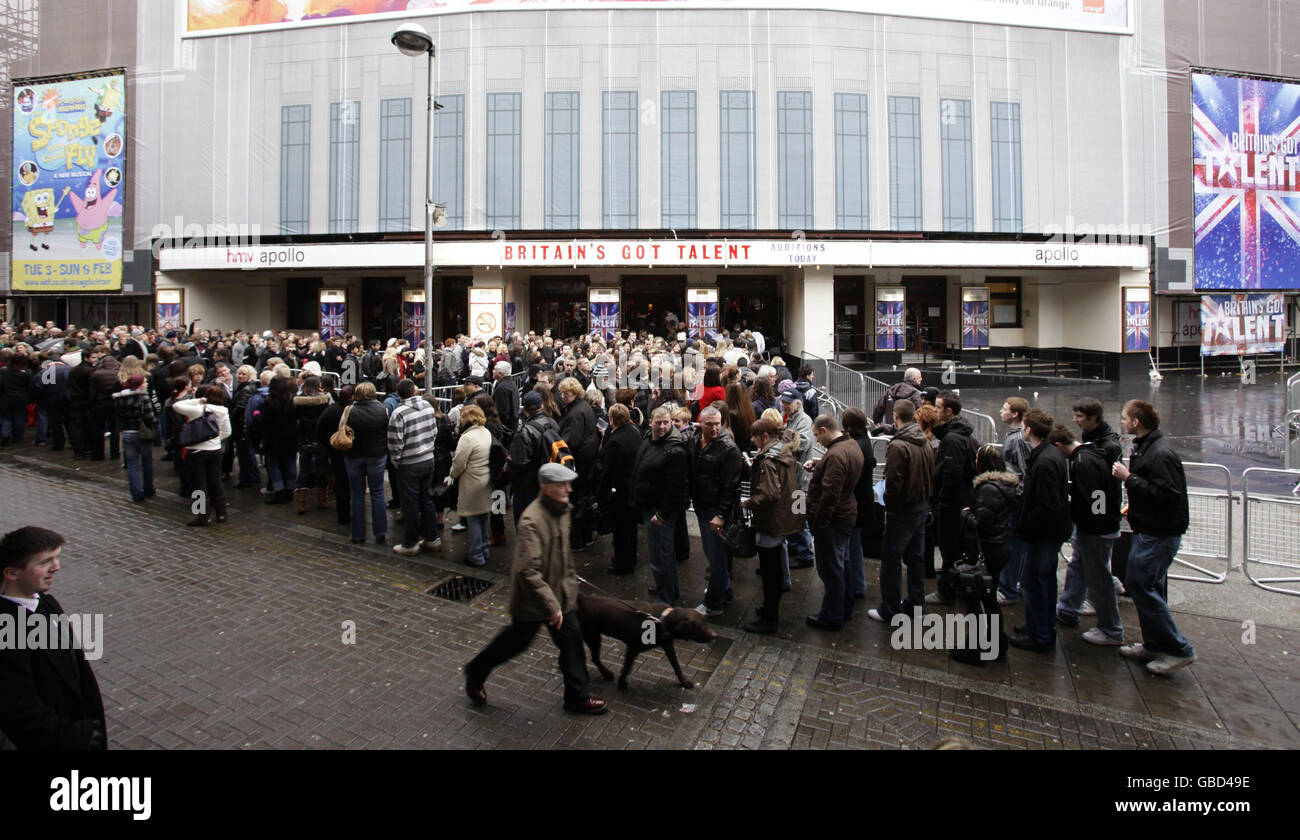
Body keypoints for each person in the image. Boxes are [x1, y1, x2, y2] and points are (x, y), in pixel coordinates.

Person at [463, 462, 607, 714]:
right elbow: (527, 570)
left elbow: (561, 555)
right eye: (563, 485)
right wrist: (551, 605)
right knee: (515, 642)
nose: (569, 490)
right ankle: (476, 671)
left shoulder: (562, 510)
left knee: (572, 643)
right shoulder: (532, 520)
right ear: (547, 488)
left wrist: (570, 586)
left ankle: (577, 697)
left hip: (561, 595)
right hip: (534, 600)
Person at [0, 527, 107, 749]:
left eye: (57, 558)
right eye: (45, 562)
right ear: (11, 573)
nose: (56, 567)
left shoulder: (46, 602)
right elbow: (19, 710)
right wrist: (78, 736)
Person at [1112, 399, 1196, 675]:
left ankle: (1177, 648)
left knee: (1140, 585)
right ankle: (1154, 643)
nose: (1122, 422)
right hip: (1149, 529)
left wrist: (1128, 478)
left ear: (1136, 422)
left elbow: (1168, 496)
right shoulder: (1148, 448)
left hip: (1158, 533)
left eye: (1125, 418)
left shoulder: (1160, 454)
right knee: (1150, 587)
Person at [1049, 422, 1123, 645]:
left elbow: (1095, 495)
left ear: (1059, 445)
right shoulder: (1088, 455)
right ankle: (1068, 609)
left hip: (1095, 529)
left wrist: (1089, 521)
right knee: (1079, 567)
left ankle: (1111, 629)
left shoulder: (1082, 461)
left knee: (1099, 579)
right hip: (1095, 527)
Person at [1010, 408, 1071, 653]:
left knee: (1036, 581)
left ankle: (1041, 635)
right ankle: (1038, 627)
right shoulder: (1049, 455)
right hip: (1047, 532)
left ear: (1029, 429)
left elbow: (1046, 503)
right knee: (1040, 581)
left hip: (1042, 534)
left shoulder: (1045, 461)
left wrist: (1026, 526)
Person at [867, 399, 934, 623]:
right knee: (916, 557)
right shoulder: (924, 441)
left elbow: (894, 483)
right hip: (921, 507)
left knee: (891, 559)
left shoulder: (898, 445)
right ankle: (917, 603)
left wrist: (888, 503)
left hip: (902, 511)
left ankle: (890, 608)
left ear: (895, 416)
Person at [952, 446, 1016, 664]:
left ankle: (977, 650)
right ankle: (996, 645)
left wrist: (966, 515)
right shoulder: (1005, 485)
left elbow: (982, 524)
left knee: (977, 599)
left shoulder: (987, 490)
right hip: (998, 548)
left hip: (987, 550)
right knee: (989, 599)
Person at [741, 417, 804, 634]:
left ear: (764, 436)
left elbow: (769, 493)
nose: (752, 440)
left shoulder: (768, 460)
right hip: (783, 518)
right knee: (774, 568)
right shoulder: (782, 452)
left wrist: (748, 502)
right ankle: (769, 609)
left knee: (769, 572)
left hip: (771, 521)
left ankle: (770, 618)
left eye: (754, 436)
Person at [805, 413, 865, 631]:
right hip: (845, 515)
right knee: (843, 564)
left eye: (817, 436)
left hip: (833, 520)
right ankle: (844, 607)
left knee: (831, 569)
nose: (817, 441)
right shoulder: (850, 445)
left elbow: (830, 494)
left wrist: (819, 522)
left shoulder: (837, 455)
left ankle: (831, 615)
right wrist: (822, 464)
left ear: (824, 431)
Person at [690, 406, 745, 617]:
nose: (714, 428)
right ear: (700, 423)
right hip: (703, 506)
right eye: (709, 424)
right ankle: (725, 592)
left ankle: (713, 603)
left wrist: (721, 514)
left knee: (717, 557)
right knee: (713, 554)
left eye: (717, 424)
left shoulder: (728, 449)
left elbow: (731, 486)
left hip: (716, 510)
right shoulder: (696, 441)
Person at [632, 406, 689, 604]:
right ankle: (668, 589)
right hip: (650, 506)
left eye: (666, 422)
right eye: (659, 422)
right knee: (663, 554)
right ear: (651, 422)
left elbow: (676, 488)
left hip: (660, 512)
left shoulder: (675, 450)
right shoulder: (649, 439)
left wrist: (663, 514)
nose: (663, 426)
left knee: (660, 556)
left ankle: (665, 599)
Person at [927, 390, 978, 606]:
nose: (935, 411)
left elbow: (951, 474)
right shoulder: (960, 436)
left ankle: (946, 591)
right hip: (956, 501)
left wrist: (942, 502)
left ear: (949, 411)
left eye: (938, 407)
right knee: (952, 547)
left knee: (950, 546)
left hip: (951, 505)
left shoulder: (952, 440)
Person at [388, 378, 441, 556]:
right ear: (415, 391)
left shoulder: (399, 413)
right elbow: (434, 431)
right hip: (428, 459)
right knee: (426, 499)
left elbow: (395, 443)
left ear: (399, 394)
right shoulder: (427, 407)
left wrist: (397, 462)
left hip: (409, 463)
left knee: (410, 503)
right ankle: (431, 538)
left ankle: (410, 542)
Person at [174, 384, 233, 526]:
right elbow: (227, 432)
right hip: (216, 450)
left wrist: (199, 400)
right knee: (215, 481)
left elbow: (177, 405)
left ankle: (202, 516)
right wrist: (215, 440)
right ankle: (221, 513)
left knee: (198, 484)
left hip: (196, 451)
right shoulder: (224, 411)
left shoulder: (198, 410)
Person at [597, 402, 642, 575]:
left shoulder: (615, 442)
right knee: (630, 528)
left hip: (620, 491)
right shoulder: (634, 432)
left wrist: (602, 495)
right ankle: (631, 558)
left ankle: (623, 564)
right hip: (631, 488)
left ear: (612, 419)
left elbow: (609, 472)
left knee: (621, 530)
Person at [343, 382, 390, 545]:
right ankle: (380, 531)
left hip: (354, 455)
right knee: (377, 492)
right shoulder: (382, 409)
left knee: (356, 493)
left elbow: (342, 428)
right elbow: (387, 428)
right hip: (376, 454)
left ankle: (357, 533)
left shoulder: (349, 410)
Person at [996, 396, 1032, 605]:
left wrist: (1015, 496)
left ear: (1015, 414)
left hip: (1014, 501)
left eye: (1005, 408)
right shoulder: (1013, 435)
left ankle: (1008, 587)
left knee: (1013, 543)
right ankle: (1012, 583)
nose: (1001, 411)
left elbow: (1024, 472)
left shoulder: (1017, 439)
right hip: (1014, 497)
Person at [557, 376, 599, 550]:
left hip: (580, 463)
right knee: (583, 500)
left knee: (578, 502)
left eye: (566, 394)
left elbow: (571, 440)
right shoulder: (581, 407)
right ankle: (585, 536)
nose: (563, 397)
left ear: (575, 393)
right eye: (562, 393)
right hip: (586, 461)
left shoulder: (576, 412)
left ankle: (577, 539)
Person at [508, 390, 562, 524]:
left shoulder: (524, 431)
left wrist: (507, 472)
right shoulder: (552, 423)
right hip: (548, 479)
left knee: (526, 523)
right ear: (541, 406)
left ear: (525, 409)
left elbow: (518, 462)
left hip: (528, 485)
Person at [449, 404, 493, 567]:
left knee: (474, 517)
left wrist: (452, 475)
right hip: (485, 480)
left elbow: (459, 463)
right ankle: (484, 549)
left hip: (472, 482)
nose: (459, 419)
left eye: (462, 416)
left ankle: (476, 554)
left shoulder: (467, 438)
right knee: (482, 516)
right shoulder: (485, 432)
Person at [841, 407, 878, 600]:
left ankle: (856, 585)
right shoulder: (865, 439)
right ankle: (858, 583)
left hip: (856, 502)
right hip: (863, 500)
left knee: (852, 546)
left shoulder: (856, 444)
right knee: (855, 545)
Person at [779, 389, 815, 569]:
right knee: (794, 514)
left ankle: (805, 553)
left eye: (788, 402)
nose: (784, 405)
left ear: (798, 403)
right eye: (783, 402)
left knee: (799, 515)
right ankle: (796, 547)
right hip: (792, 478)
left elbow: (800, 445)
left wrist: (782, 438)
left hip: (801, 481)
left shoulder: (804, 421)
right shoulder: (791, 418)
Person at [112, 373, 156, 503]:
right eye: (144, 382)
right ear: (139, 385)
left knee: (132, 464)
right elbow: (150, 417)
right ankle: (148, 489)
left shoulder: (119, 399)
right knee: (147, 461)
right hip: (142, 433)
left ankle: (136, 493)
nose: (146, 384)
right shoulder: (143, 398)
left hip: (127, 433)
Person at [293, 375, 331, 513]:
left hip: (305, 441)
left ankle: (301, 503)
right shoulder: (323, 403)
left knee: (304, 470)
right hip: (321, 441)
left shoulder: (299, 404)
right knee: (322, 470)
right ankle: (322, 500)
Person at [491, 361, 519, 439]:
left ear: (500, 374)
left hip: (506, 429)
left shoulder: (502, 388)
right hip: (512, 425)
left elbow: (502, 412)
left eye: (495, 369)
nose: (492, 371)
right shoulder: (511, 383)